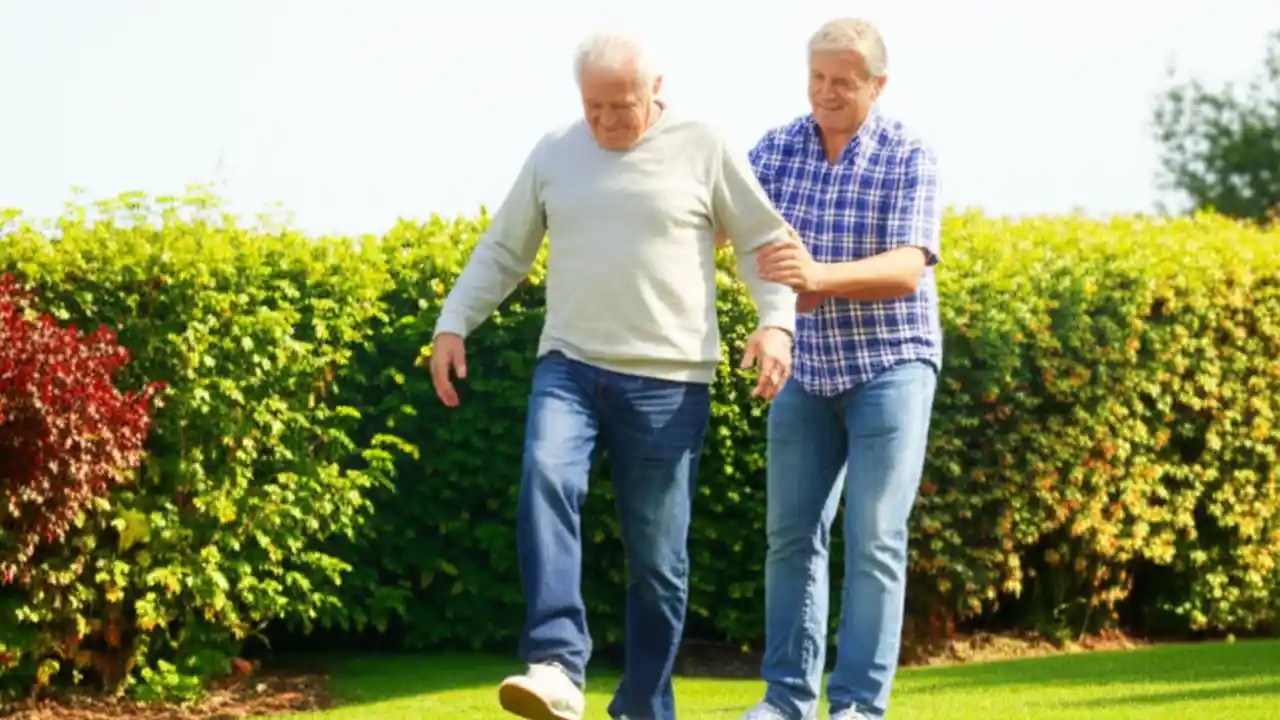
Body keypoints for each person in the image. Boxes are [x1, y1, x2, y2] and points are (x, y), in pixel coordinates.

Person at [428, 30, 799, 720]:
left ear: (656, 89)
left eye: (619, 106)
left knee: (658, 567)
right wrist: (453, 323)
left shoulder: (703, 142)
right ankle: (557, 664)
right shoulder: (555, 151)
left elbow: (761, 239)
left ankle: (642, 703)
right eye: (592, 106)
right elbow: (504, 250)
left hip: (670, 380)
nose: (604, 121)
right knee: (545, 472)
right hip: (569, 365)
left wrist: (776, 321)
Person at [733, 17, 943, 720]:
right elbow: (738, 238)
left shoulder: (909, 153)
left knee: (876, 533)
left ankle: (856, 707)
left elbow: (909, 266)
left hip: (892, 364)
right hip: (808, 366)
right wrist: (773, 319)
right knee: (791, 535)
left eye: (843, 83)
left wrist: (820, 275)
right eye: (817, 78)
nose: (825, 92)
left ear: (877, 85)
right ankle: (785, 701)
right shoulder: (775, 149)